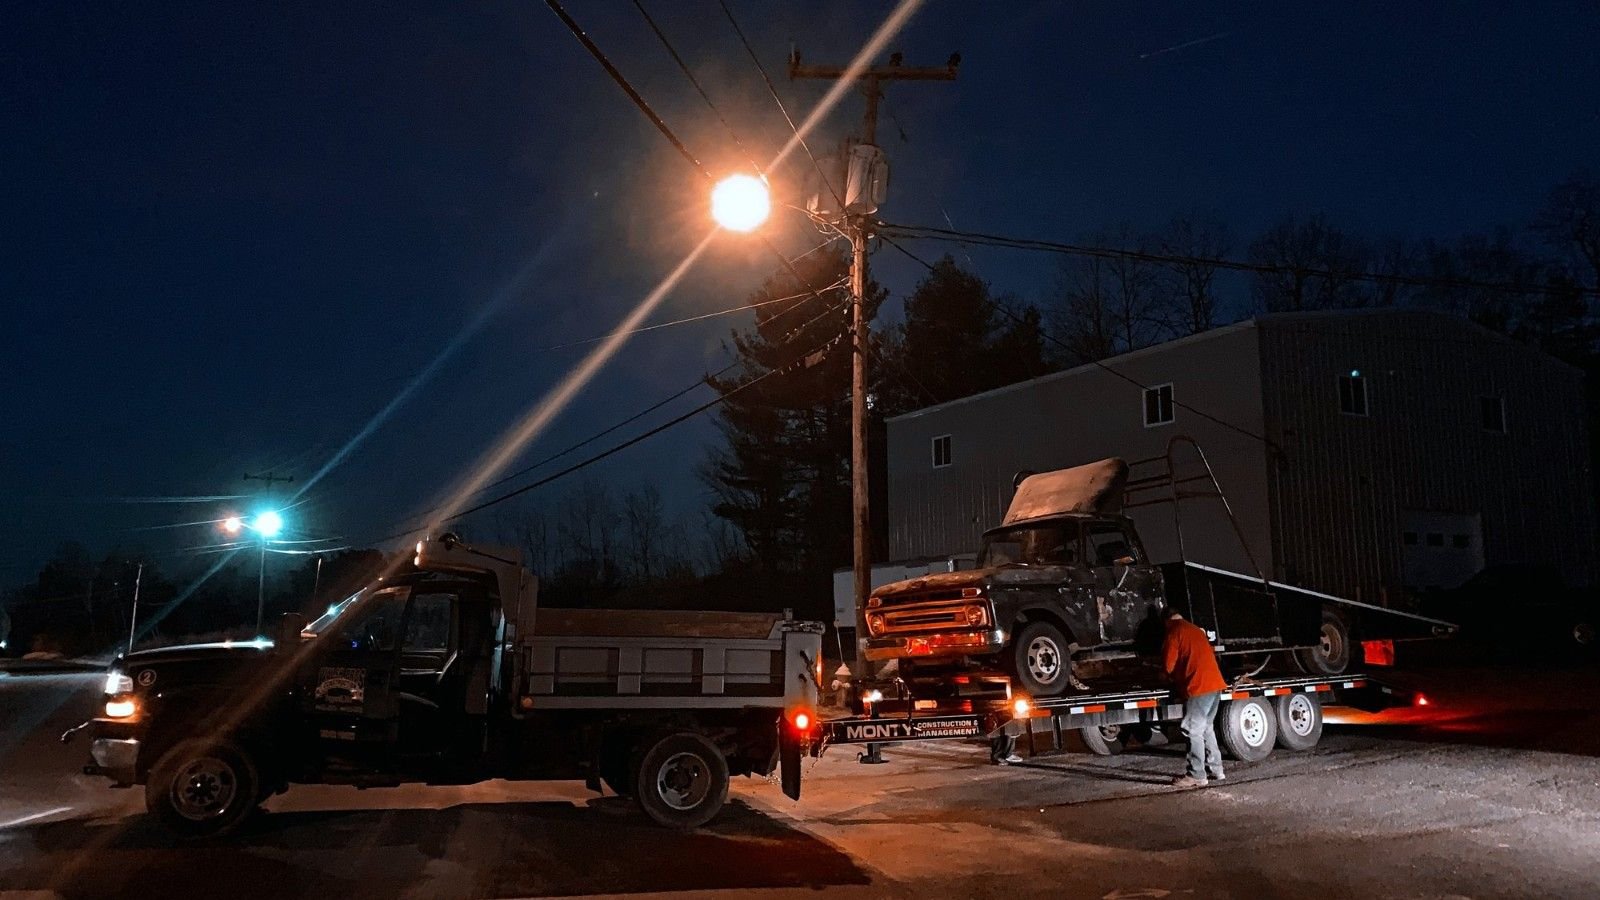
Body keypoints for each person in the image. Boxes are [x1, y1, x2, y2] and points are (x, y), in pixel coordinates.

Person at [1162, 606, 1228, 788]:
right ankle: (1217, 770)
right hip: (1215, 685)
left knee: (1192, 729)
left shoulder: (1174, 631)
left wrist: (1167, 676)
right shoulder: (1195, 629)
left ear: (1166, 621)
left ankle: (1197, 774)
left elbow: (1168, 665)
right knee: (1206, 727)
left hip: (1199, 687)